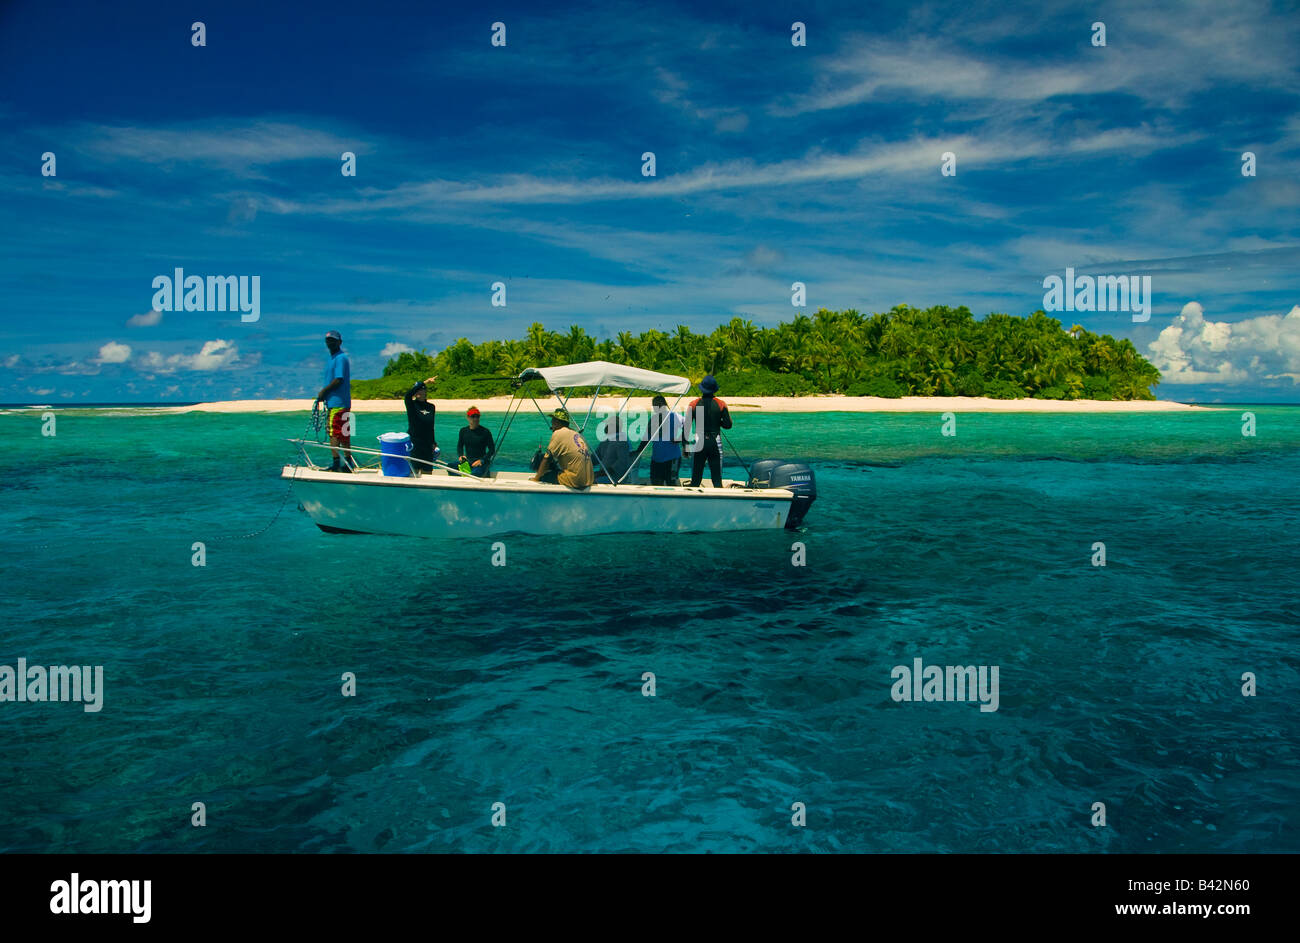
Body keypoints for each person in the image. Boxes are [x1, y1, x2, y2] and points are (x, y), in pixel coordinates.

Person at [315, 330, 355, 472]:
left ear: (339, 342)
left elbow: (339, 379)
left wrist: (324, 392)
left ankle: (336, 463)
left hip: (338, 403)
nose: (330, 343)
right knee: (344, 432)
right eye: (328, 340)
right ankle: (348, 463)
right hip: (340, 402)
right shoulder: (333, 358)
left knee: (334, 432)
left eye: (333, 340)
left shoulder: (340, 358)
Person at [531, 408, 594, 489]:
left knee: (545, 476)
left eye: (553, 421)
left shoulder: (558, 433)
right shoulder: (576, 434)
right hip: (589, 480)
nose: (551, 425)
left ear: (557, 422)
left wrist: (536, 478)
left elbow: (547, 459)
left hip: (576, 481)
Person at [687, 374, 732, 488]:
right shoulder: (721, 404)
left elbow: (686, 427)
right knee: (717, 479)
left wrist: (685, 446)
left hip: (699, 441)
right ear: (714, 389)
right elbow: (728, 425)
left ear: (701, 389)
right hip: (715, 440)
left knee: (695, 479)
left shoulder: (693, 404)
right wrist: (718, 422)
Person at [648, 394, 687, 485]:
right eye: (654, 405)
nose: (656, 407)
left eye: (659, 405)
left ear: (664, 405)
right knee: (655, 483)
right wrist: (638, 451)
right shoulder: (653, 419)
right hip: (656, 459)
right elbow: (646, 439)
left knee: (671, 483)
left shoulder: (674, 416)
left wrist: (681, 439)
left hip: (672, 458)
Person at [404, 376, 439, 475]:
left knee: (427, 471)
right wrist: (425, 382)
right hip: (415, 443)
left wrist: (433, 442)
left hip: (427, 444)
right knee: (414, 471)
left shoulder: (431, 407)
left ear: (425, 391)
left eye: (421, 389)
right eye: (417, 390)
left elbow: (431, 426)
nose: (419, 392)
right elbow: (407, 395)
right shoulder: (412, 405)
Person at [594, 411, 634, 484]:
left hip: (615, 478)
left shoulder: (622, 442)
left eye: (608, 425)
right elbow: (595, 457)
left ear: (615, 427)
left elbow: (622, 463)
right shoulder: (606, 441)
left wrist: (602, 473)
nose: (606, 426)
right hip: (604, 474)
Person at [456, 406, 496, 478]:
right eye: (473, 416)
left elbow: (492, 450)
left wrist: (482, 460)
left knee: (475, 474)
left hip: (482, 462)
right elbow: (460, 446)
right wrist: (461, 455)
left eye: (477, 416)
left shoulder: (485, 432)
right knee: (450, 466)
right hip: (468, 461)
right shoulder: (463, 431)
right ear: (468, 418)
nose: (475, 419)